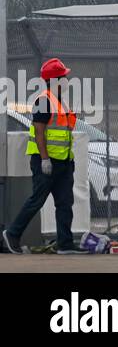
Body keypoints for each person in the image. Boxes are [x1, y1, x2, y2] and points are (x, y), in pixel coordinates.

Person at [2, 58, 83, 255]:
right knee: (37, 200)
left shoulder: (57, 100)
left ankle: (65, 243)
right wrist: (45, 159)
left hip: (63, 161)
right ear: (55, 80)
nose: (67, 80)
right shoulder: (43, 101)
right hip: (46, 161)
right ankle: (12, 234)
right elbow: (39, 132)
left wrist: (66, 160)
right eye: (64, 77)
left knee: (65, 202)